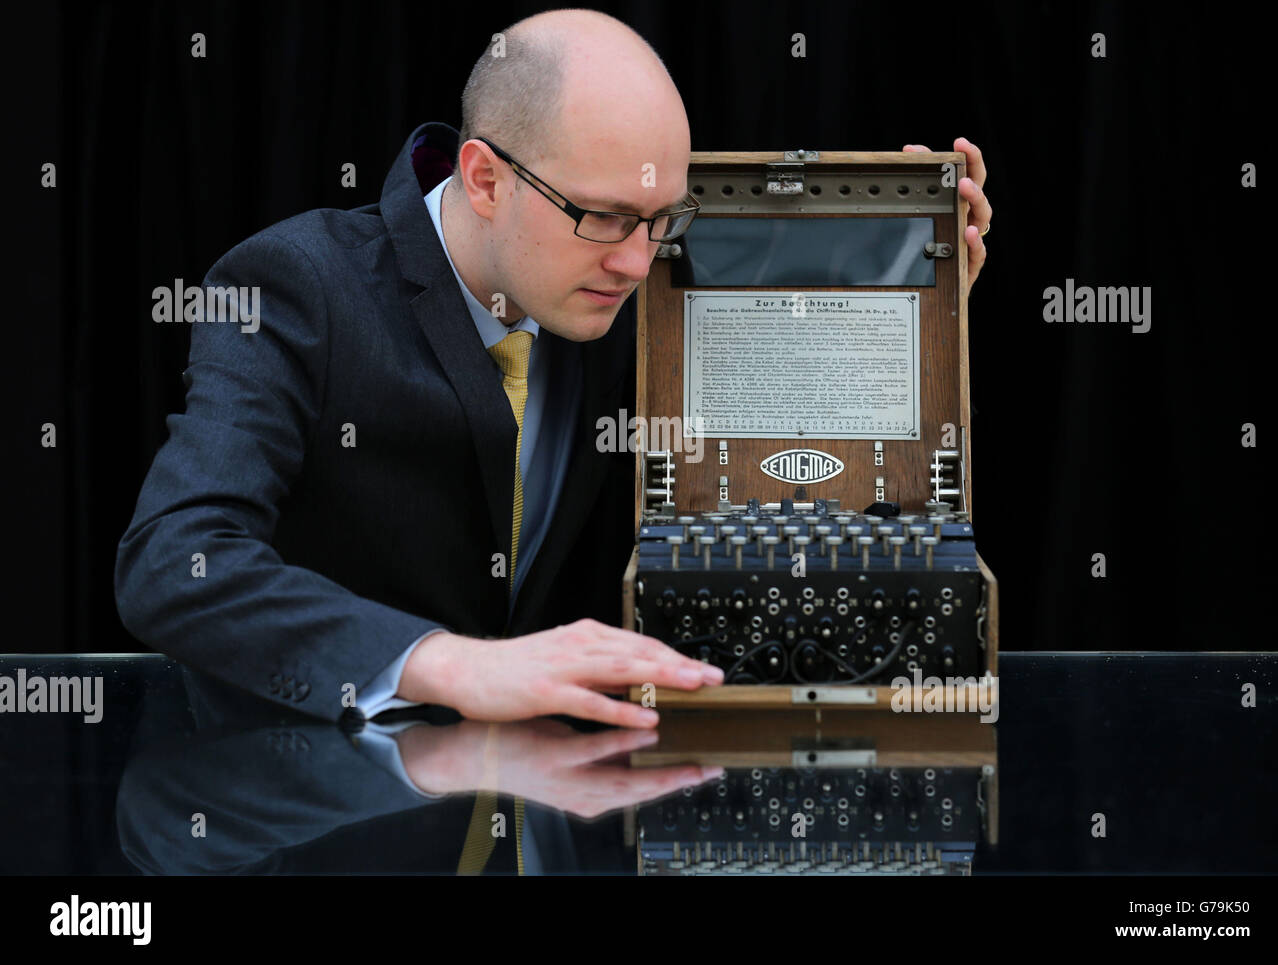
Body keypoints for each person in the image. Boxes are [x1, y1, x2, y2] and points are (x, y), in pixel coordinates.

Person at [115, 8, 992, 730]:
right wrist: (449, 665)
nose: (641, 262)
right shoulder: (295, 286)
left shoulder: (616, 279)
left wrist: (908, 273)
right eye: (608, 218)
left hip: (538, 813)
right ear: (486, 178)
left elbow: (788, 343)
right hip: (304, 809)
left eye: (664, 218)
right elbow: (174, 558)